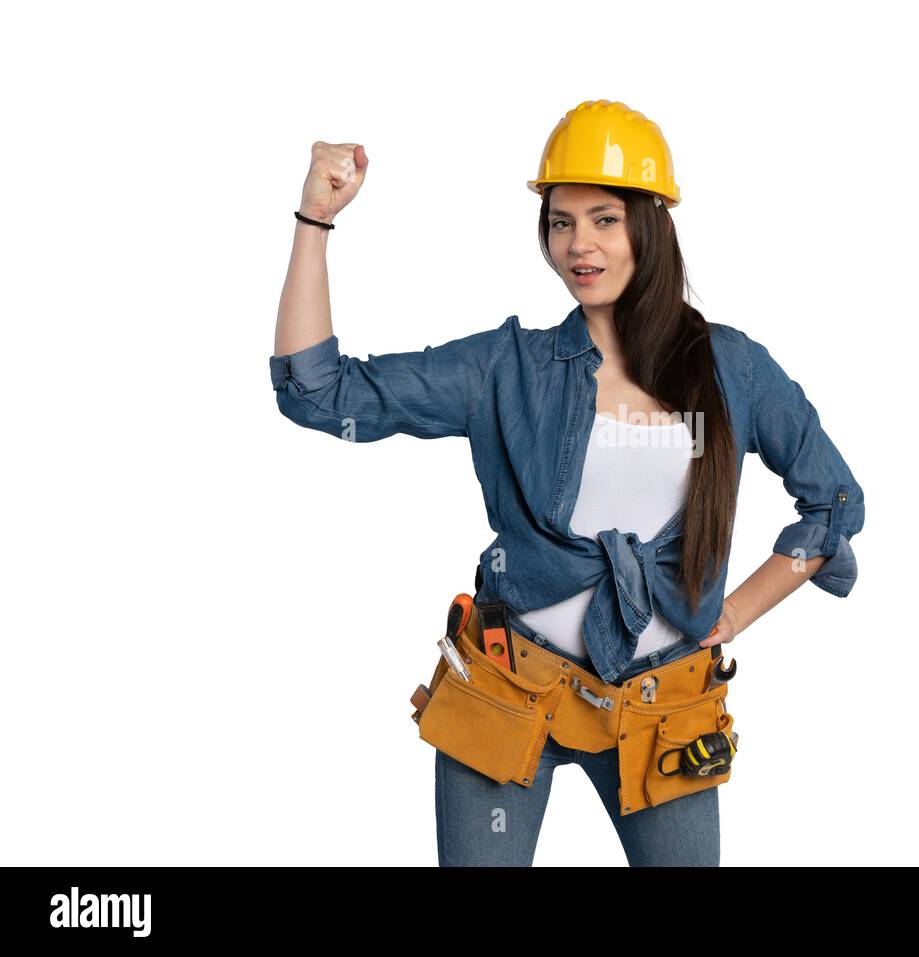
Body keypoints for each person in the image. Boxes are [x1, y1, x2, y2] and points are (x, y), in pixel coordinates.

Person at [269, 100, 865, 866]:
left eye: (605, 219)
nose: (578, 244)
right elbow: (317, 392)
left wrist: (734, 613)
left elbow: (833, 500)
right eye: (560, 222)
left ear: (651, 224)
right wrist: (313, 223)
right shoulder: (506, 368)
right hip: (508, 695)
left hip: (666, 711)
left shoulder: (731, 367)